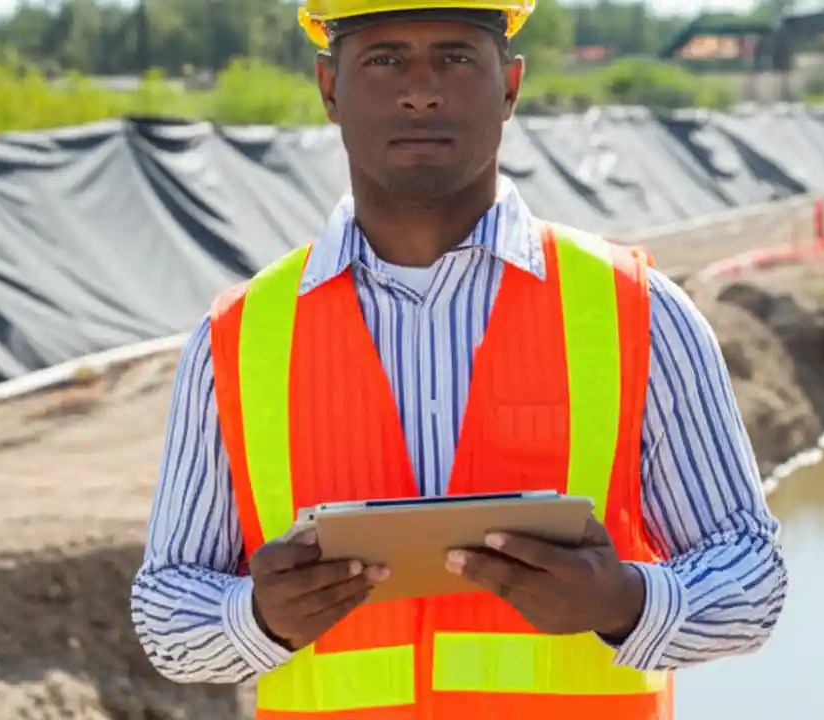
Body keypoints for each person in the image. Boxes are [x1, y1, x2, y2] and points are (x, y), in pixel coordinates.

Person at [131, 1, 787, 718]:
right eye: (383, 60)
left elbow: (751, 578)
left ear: (508, 86)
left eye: (455, 57)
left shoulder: (640, 314)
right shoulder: (240, 337)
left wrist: (625, 600)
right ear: (328, 87)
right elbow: (166, 613)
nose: (421, 89)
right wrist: (258, 618)